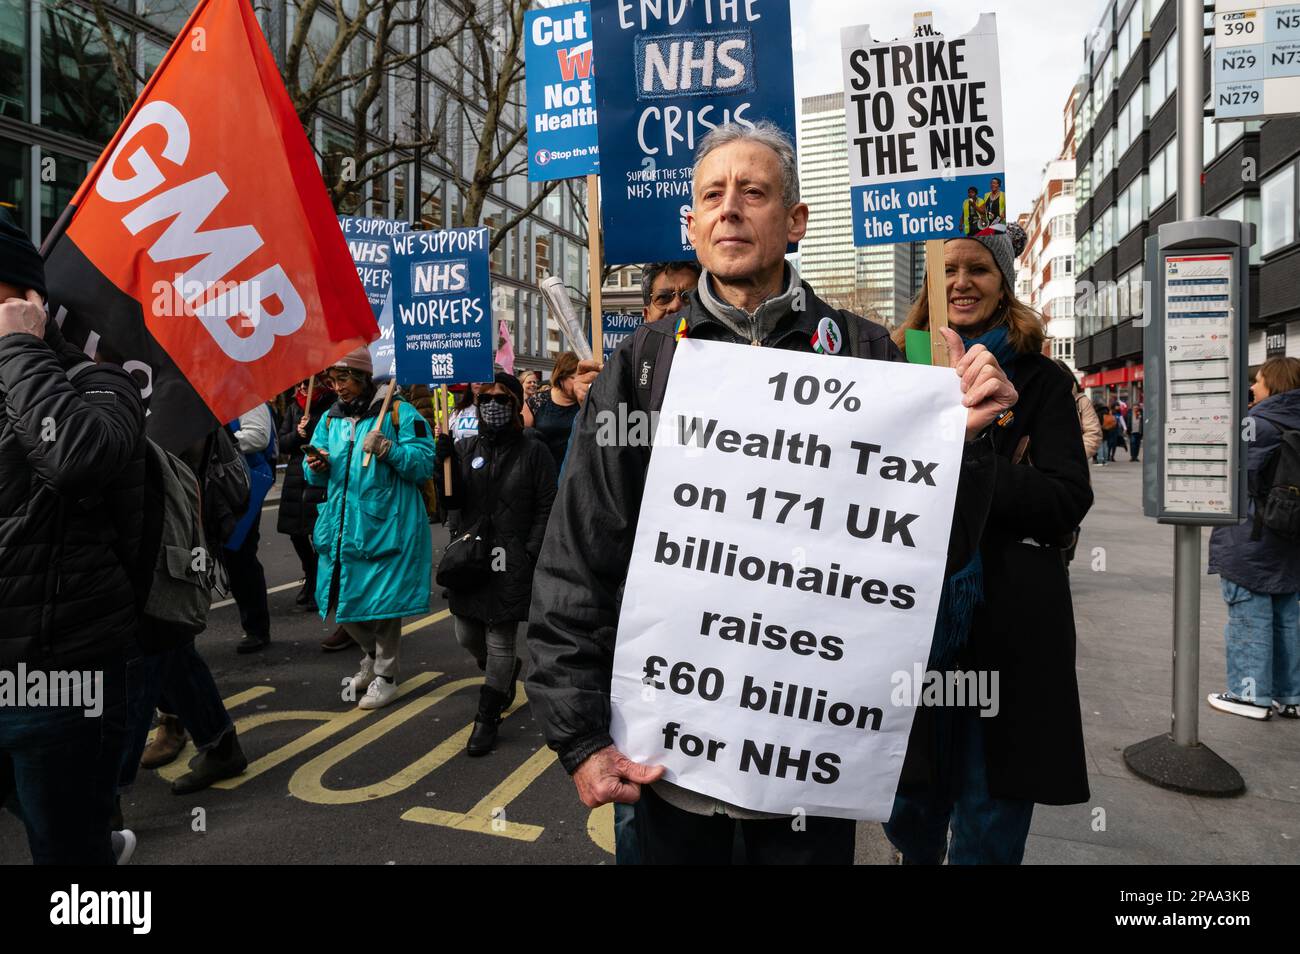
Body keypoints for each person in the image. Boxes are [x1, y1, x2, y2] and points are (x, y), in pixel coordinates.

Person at [525, 122, 1016, 865]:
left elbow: (934, 555)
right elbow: (579, 556)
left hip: (809, 780)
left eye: (752, 192)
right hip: (668, 776)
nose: (729, 209)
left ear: (794, 222)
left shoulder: (870, 355)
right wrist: (580, 735)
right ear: (690, 225)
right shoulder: (644, 368)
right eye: (712, 195)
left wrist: (968, 447)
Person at [885, 223, 1093, 865]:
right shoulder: (897, 368)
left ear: (1003, 282)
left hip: (1010, 632)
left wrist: (967, 455)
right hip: (912, 628)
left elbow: (1065, 499)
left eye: (977, 268)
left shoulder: (1043, 379)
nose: (960, 282)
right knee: (907, 807)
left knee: (988, 820)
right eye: (946, 270)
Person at [0, 210, 141, 863]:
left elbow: (74, 459)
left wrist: (21, 350)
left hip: (56, 685)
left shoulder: (99, 384)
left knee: (67, 859)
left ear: (30, 301)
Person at [306, 349, 437, 710]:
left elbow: (424, 464)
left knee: (383, 607)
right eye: (333, 380)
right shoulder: (330, 419)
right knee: (344, 605)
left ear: (364, 378)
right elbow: (313, 468)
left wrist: (388, 449)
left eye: (344, 379)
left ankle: (387, 675)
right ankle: (371, 657)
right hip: (341, 526)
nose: (338, 388)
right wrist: (316, 464)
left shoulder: (399, 412)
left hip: (386, 527)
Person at [435, 372, 557, 755]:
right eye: (485, 397)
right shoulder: (466, 448)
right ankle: (500, 677)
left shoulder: (534, 450)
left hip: (511, 556)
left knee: (500, 636)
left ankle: (487, 717)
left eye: (502, 398)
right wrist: (444, 468)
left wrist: (529, 551)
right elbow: (452, 504)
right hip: (472, 556)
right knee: (466, 634)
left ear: (516, 403)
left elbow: (546, 504)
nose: (492, 404)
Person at [1207, 357, 1300, 720]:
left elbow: (1227, 469)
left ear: (1273, 385)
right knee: (1287, 616)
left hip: (1252, 535)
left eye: (1258, 382)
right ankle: (1289, 694)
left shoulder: (1256, 425)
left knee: (1250, 614)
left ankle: (1250, 695)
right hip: (1291, 537)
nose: (1253, 388)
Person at [279, 374, 336, 618]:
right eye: (299, 383)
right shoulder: (294, 408)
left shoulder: (330, 407)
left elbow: (328, 441)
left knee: (317, 531)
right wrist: (297, 434)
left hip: (317, 474)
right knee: (296, 532)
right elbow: (283, 443)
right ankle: (311, 572)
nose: (303, 387)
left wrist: (309, 431)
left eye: (307, 382)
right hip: (295, 477)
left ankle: (316, 585)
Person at [225, 402, 276, 654]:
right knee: (228, 555)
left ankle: (256, 627)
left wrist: (218, 441)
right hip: (221, 483)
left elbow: (257, 437)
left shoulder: (247, 396)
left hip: (245, 482)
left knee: (240, 554)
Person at [524, 351, 581, 473]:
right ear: (562, 376)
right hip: (543, 474)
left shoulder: (586, 404)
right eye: (576, 378)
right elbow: (522, 442)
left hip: (575, 475)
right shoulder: (536, 402)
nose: (581, 383)